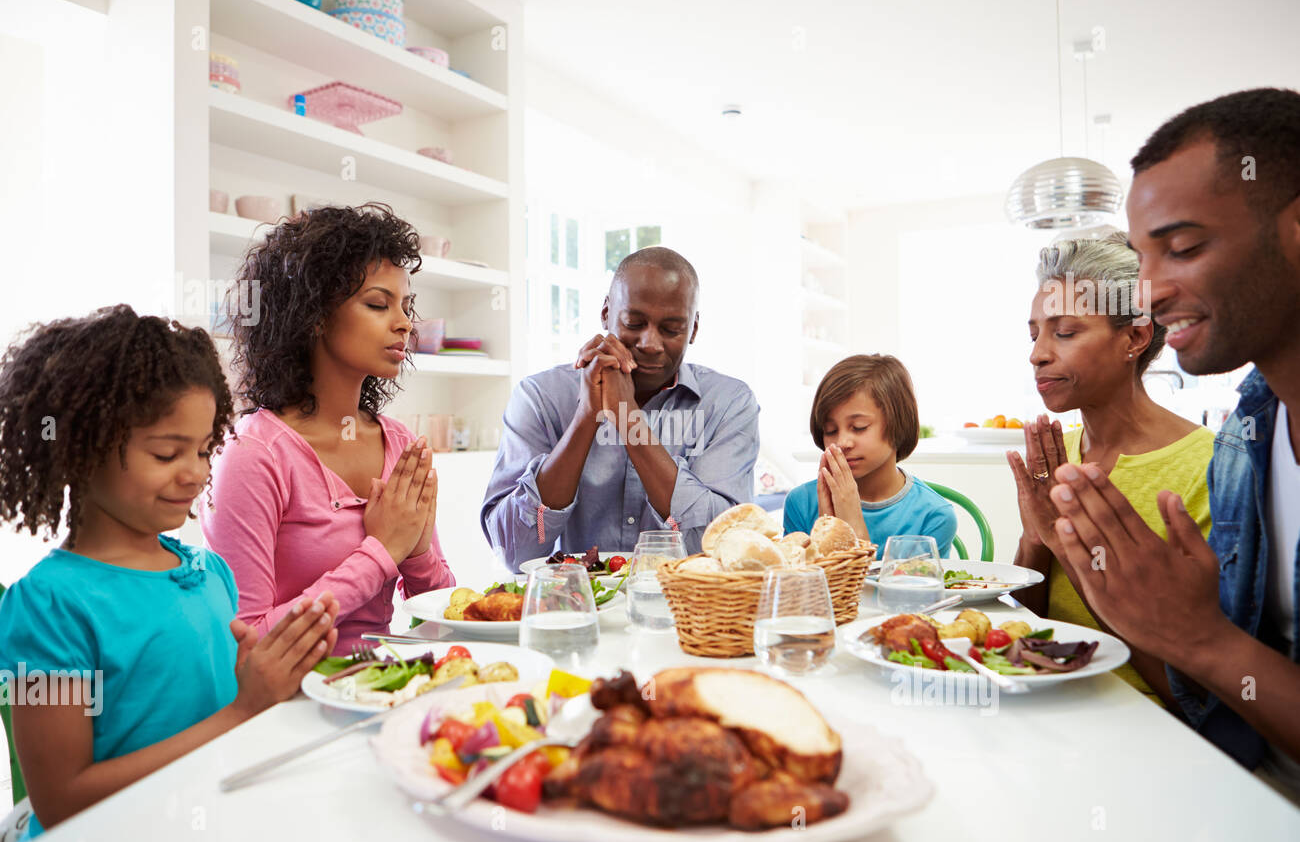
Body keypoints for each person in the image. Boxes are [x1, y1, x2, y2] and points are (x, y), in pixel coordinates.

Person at [1044, 88, 1300, 800]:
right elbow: (1225, 710)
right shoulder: (1249, 439)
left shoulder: (1203, 456)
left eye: (1182, 248)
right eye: (1140, 258)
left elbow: (1204, 664)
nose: (1149, 293)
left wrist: (1197, 639)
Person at [0, 305, 339, 841]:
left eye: (205, 450)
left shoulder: (210, 573)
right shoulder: (48, 606)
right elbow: (62, 800)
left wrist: (269, 686)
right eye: (166, 453)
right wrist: (240, 711)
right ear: (78, 450)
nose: (196, 473)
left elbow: (211, 719)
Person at [201, 204, 454, 655]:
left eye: (406, 306)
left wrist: (417, 555)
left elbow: (443, 618)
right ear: (313, 315)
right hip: (289, 709)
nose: (404, 323)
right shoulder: (253, 454)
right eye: (378, 304)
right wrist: (380, 552)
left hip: (383, 686)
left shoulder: (397, 443)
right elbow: (247, 644)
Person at [1006, 232, 1215, 708]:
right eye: (1034, 332)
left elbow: (1195, 697)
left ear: (1135, 338)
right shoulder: (1056, 456)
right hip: (1044, 708)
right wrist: (1035, 542)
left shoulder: (1207, 467)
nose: (1036, 353)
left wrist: (1070, 547)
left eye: (1065, 332)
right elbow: (1022, 628)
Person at [481, 246, 759, 568]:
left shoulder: (728, 404)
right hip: (574, 611)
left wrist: (627, 419)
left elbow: (720, 548)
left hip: (684, 611)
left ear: (693, 329)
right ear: (605, 313)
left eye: (671, 330)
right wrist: (586, 416)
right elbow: (514, 551)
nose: (650, 344)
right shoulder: (540, 397)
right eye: (634, 322)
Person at [783, 354, 957, 556]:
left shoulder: (934, 515)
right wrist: (827, 538)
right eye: (830, 430)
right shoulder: (801, 502)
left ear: (898, 424)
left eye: (859, 427)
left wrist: (853, 528)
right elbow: (796, 585)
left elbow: (912, 587)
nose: (842, 442)